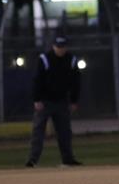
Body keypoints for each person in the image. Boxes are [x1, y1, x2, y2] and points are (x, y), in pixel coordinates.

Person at [26, 33, 83, 166]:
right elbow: (37, 80)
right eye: (58, 47)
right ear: (53, 46)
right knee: (38, 131)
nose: (60, 50)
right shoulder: (45, 59)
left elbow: (76, 82)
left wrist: (74, 100)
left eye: (63, 47)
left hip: (62, 101)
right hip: (45, 101)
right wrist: (37, 99)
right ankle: (32, 160)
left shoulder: (71, 59)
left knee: (64, 132)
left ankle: (68, 159)